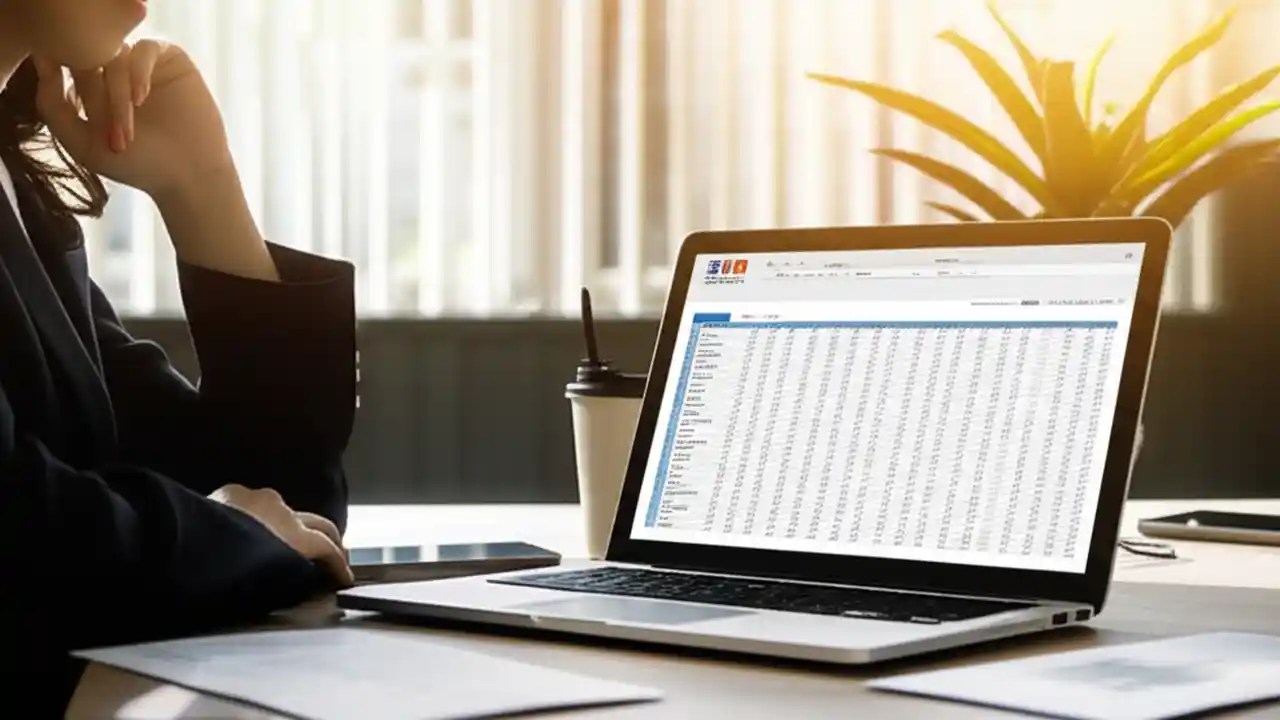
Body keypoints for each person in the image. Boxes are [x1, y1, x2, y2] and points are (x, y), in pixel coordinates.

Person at [0, 0, 357, 710]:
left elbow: (287, 503)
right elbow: (23, 534)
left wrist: (203, 188)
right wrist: (238, 537)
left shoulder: (16, 188)